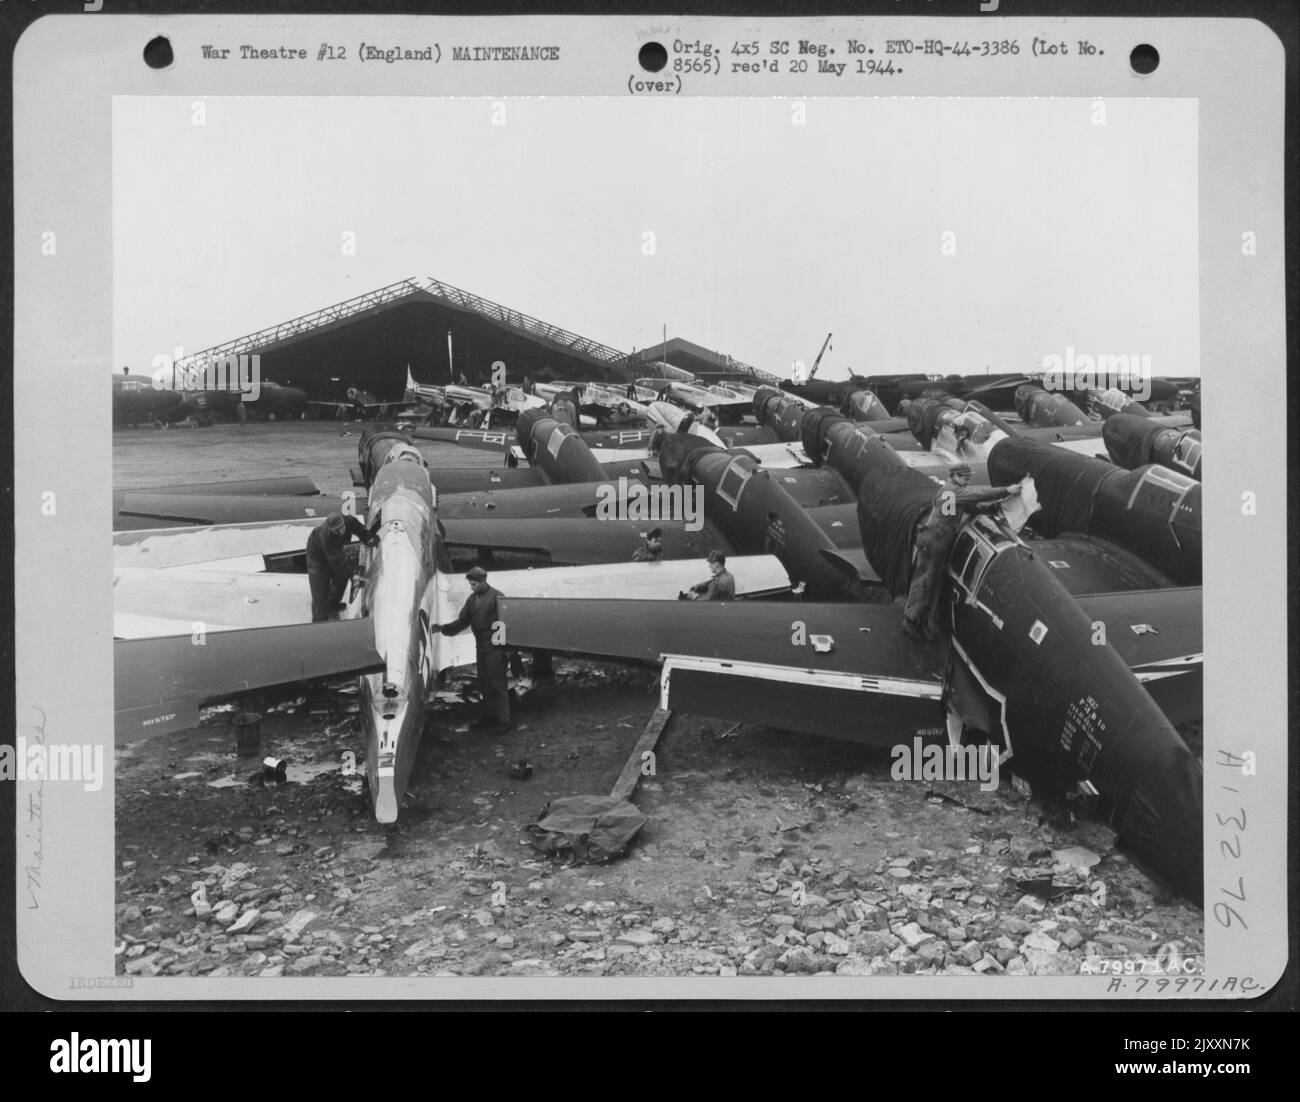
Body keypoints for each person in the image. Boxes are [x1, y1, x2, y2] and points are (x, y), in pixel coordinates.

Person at [902, 464, 1021, 642]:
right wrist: (1006, 490)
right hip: (934, 540)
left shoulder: (953, 493)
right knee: (925, 580)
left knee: (932, 580)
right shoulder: (953, 491)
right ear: (955, 476)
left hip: (938, 540)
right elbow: (979, 494)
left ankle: (922, 620)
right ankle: (911, 620)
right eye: (965, 478)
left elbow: (973, 507)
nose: (967, 482)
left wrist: (995, 508)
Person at [434, 566, 512, 734]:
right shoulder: (472, 599)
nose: (472, 587)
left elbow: (506, 624)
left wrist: (505, 651)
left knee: (498, 684)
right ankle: (489, 717)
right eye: (471, 584)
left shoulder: (497, 597)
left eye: (475, 584)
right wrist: (443, 629)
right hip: (481, 648)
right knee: (485, 683)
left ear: (483, 581)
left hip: (495, 648)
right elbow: (463, 621)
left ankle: (504, 722)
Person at [306, 512, 377, 623]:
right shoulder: (326, 537)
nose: (341, 531)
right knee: (320, 589)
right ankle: (319, 622)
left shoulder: (349, 521)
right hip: (317, 557)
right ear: (330, 530)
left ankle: (333, 605)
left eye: (341, 527)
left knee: (341, 578)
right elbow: (337, 562)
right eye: (336, 530)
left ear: (343, 522)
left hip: (334, 553)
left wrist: (369, 539)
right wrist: (353, 577)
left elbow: (360, 530)